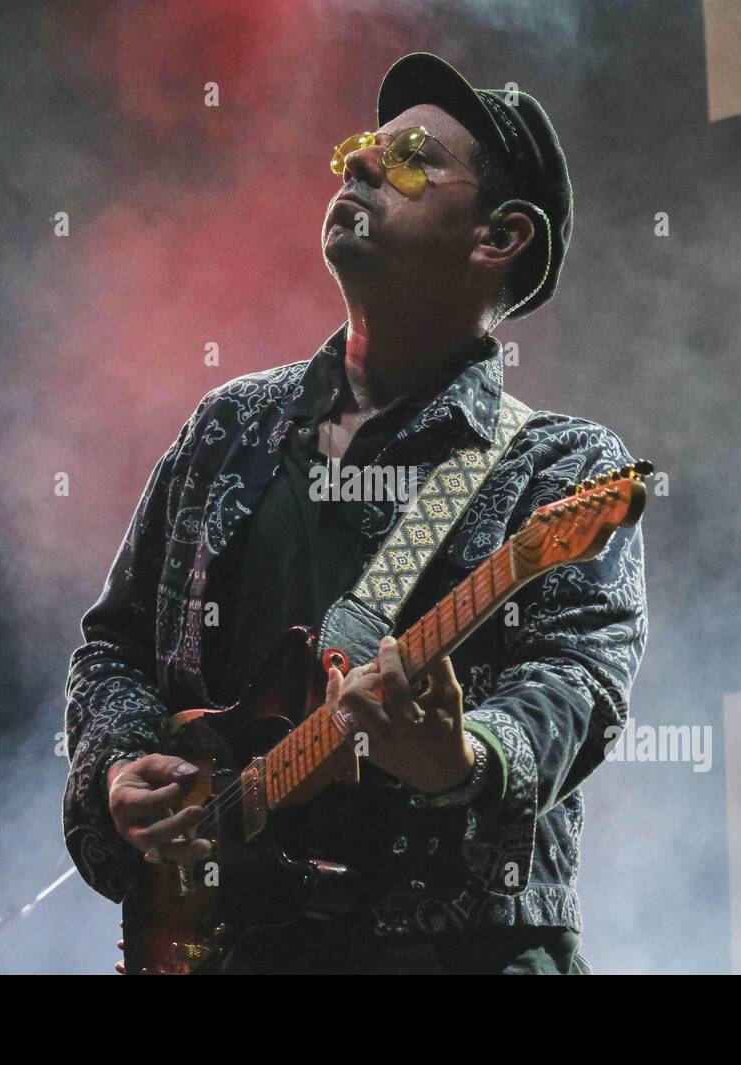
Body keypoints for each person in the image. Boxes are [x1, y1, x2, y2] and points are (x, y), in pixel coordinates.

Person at [62, 52, 648, 974]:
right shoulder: (229, 428)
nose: (360, 166)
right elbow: (115, 647)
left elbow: (579, 681)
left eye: (411, 156)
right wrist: (119, 768)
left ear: (498, 238)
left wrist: (465, 755)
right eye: (358, 150)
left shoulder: (563, 469)